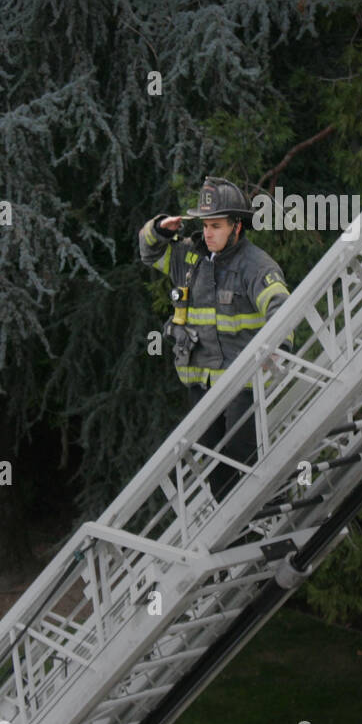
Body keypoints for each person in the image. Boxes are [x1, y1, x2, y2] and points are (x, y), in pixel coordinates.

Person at [140, 176, 290, 495]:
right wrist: (159, 229)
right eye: (205, 225)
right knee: (212, 467)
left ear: (237, 226)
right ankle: (229, 532)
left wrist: (276, 353)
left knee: (240, 464)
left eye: (216, 226)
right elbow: (149, 253)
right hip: (201, 383)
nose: (207, 233)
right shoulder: (188, 258)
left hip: (242, 387)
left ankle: (247, 527)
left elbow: (282, 310)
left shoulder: (256, 266)